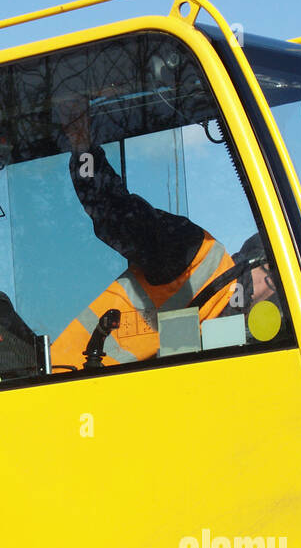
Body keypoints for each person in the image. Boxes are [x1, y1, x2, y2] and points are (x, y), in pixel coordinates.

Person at [50, 103, 275, 371]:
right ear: (268, 268)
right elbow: (116, 212)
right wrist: (83, 145)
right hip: (67, 383)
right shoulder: (196, 255)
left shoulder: (231, 332)